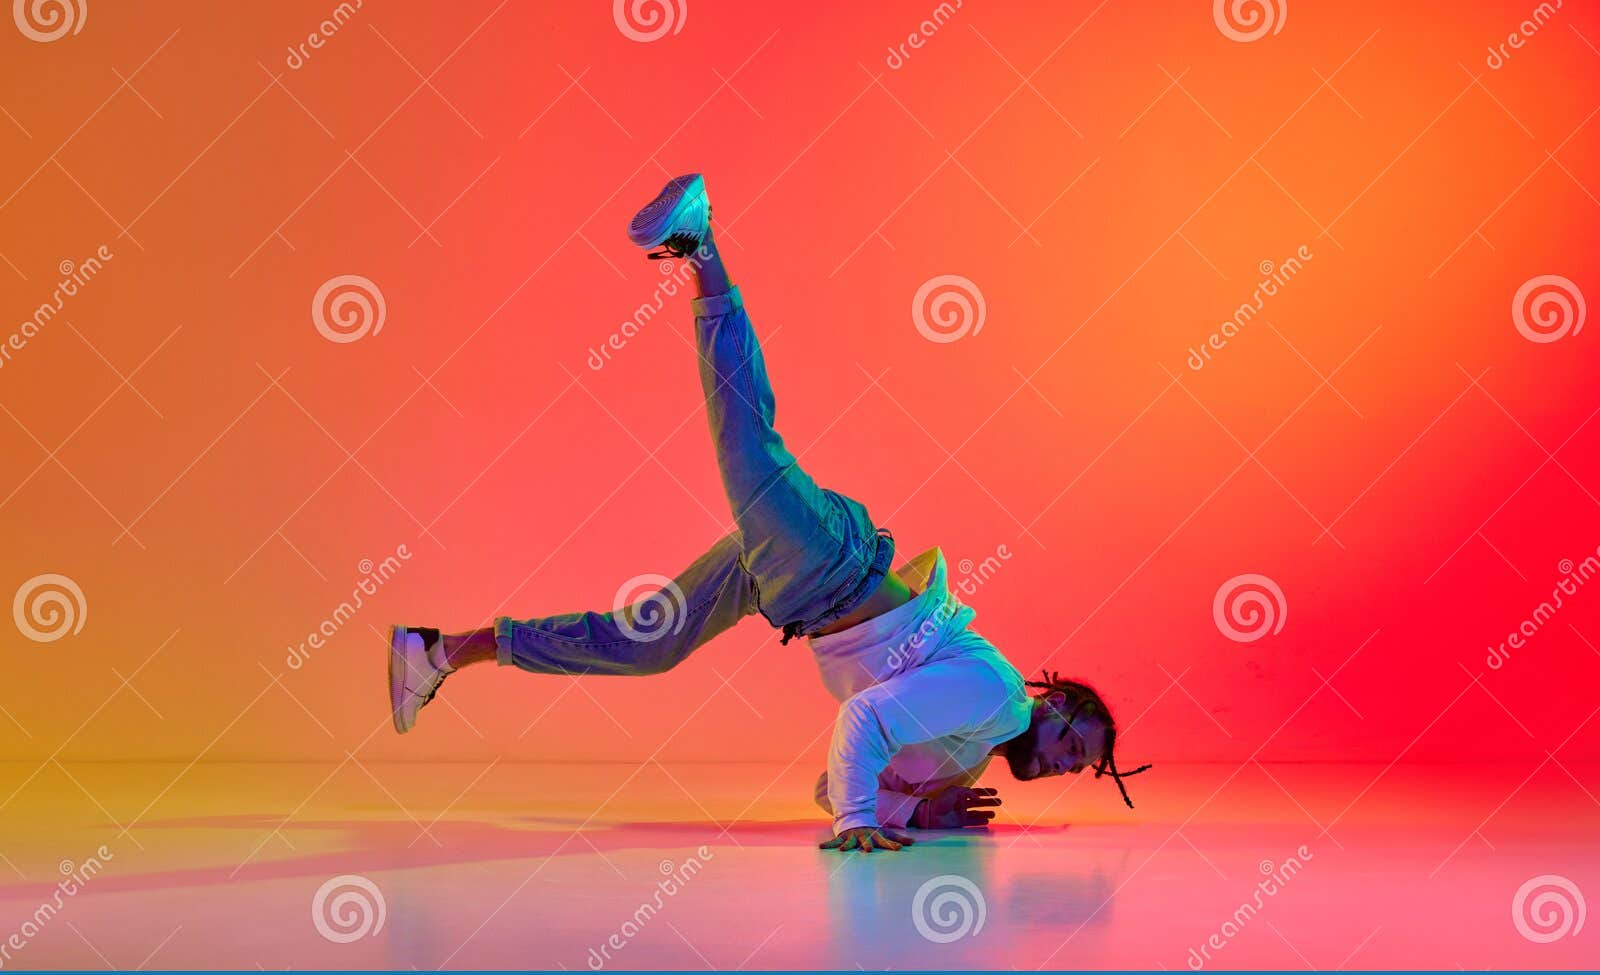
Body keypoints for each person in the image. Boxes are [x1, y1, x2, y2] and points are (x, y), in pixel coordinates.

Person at [388, 174, 1149, 852]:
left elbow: (829, 783)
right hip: (829, 570)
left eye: (1078, 766)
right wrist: (862, 819)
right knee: (748, 442)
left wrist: (925, 809)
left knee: (645, 643)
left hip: (790, 590)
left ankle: (438, 651)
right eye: (1075, 737)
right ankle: (699, 242)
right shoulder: (1001, 696)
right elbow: (860, 733)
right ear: (1054, 699)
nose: (1062, 759)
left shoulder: (974, 747)